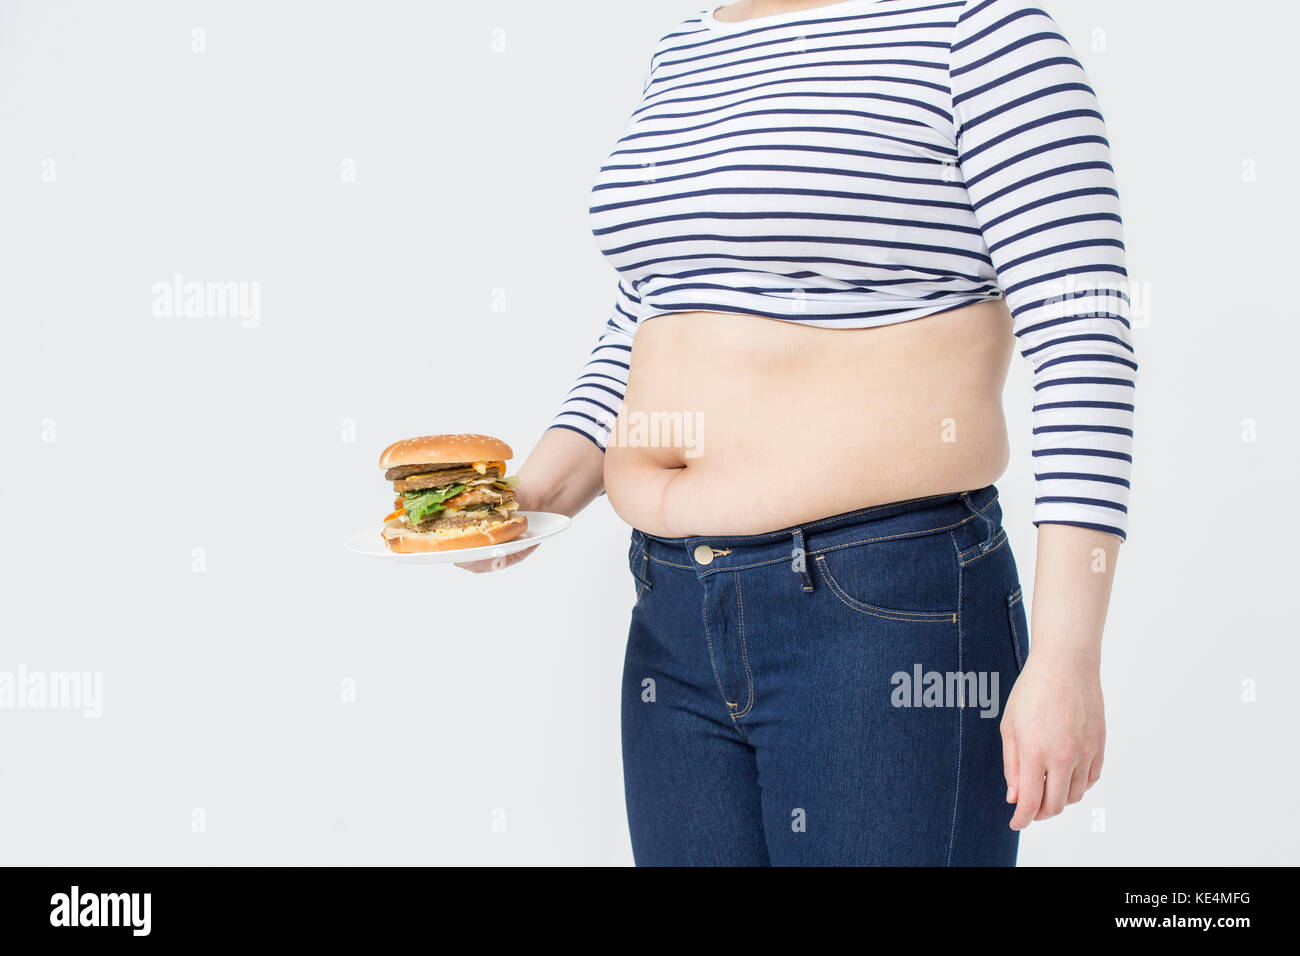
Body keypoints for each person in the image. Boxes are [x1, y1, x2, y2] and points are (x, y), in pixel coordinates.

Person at [491, 0, 1134, 865]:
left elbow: (1082, 336)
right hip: (673, 605)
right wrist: (524, 496)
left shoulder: (980, 33)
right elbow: (649, 310)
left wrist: (1067, 655)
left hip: (879, 609)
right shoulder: (691, 45)